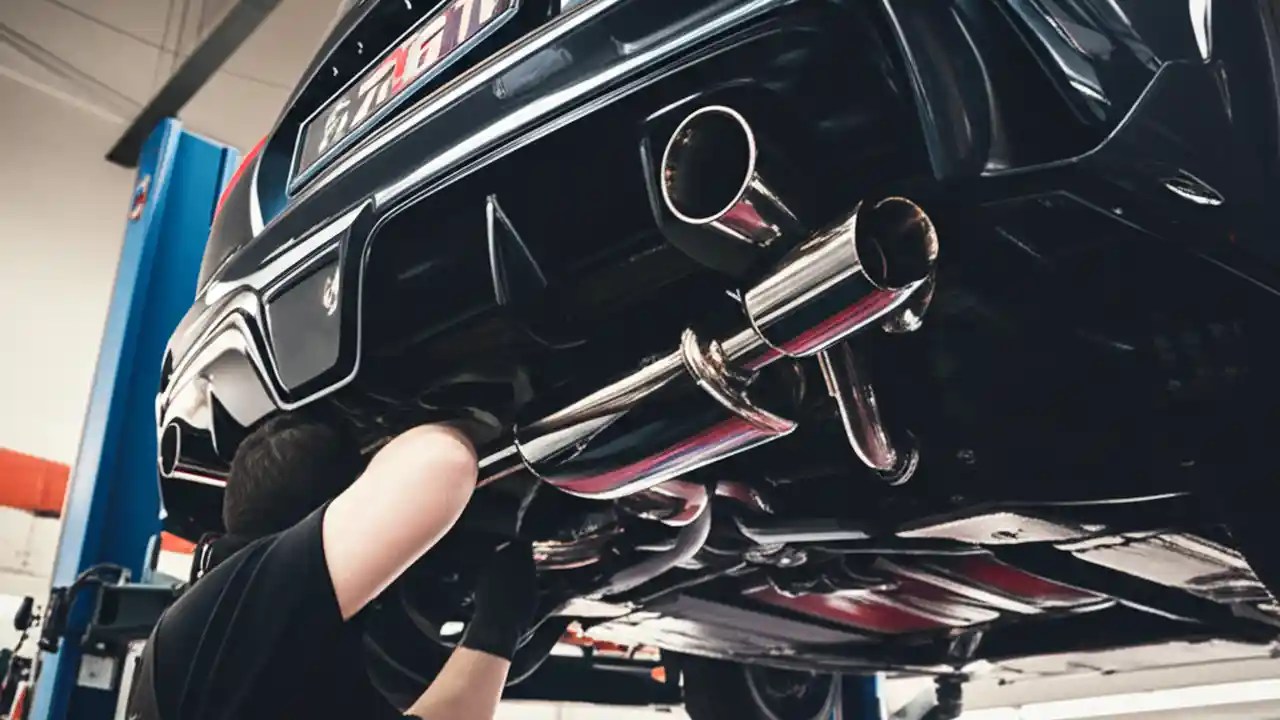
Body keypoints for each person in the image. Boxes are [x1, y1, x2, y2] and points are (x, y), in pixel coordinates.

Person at [126, 412, 536, 720]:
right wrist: (498, 630)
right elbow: (442, 463)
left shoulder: (214, 631)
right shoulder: (221, 636)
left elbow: (443, 463)